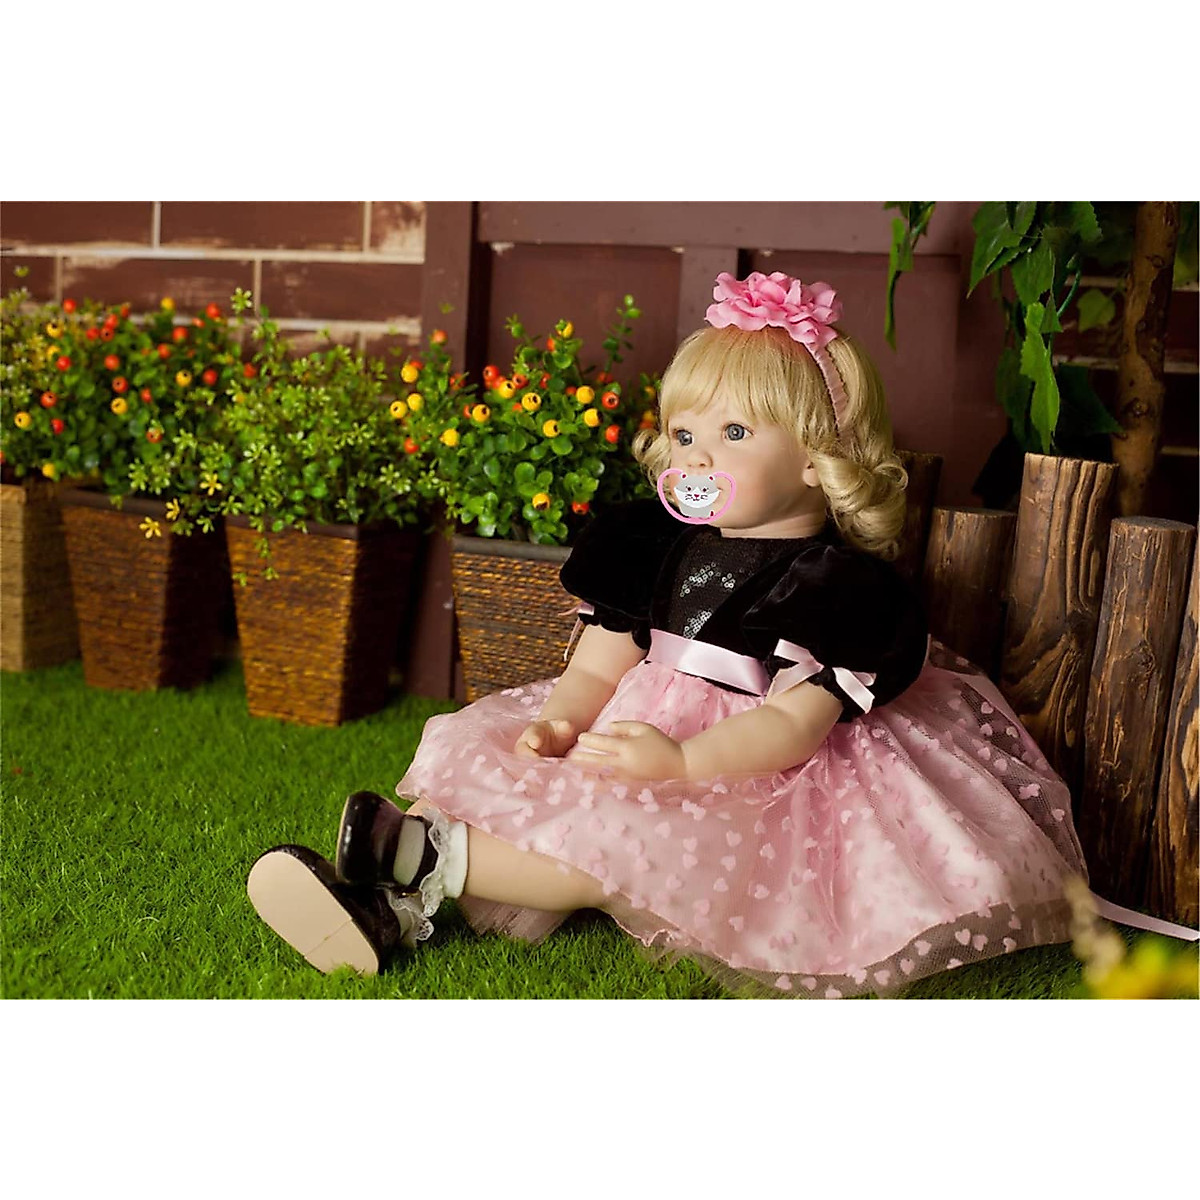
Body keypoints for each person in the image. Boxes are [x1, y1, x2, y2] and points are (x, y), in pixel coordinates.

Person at [246, 271, 1093, 999]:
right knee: (509, 775)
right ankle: (389, 902)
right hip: (630, 726)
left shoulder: (833, 587)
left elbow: (794, 724)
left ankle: (428, 860)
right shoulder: (654, 546)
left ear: (815, 456)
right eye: (686, 434)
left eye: (733, 435)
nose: (697, 458)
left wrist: (684, 764)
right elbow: (602, 662)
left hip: (737, 764)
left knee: (614, 846)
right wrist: (563, 718)